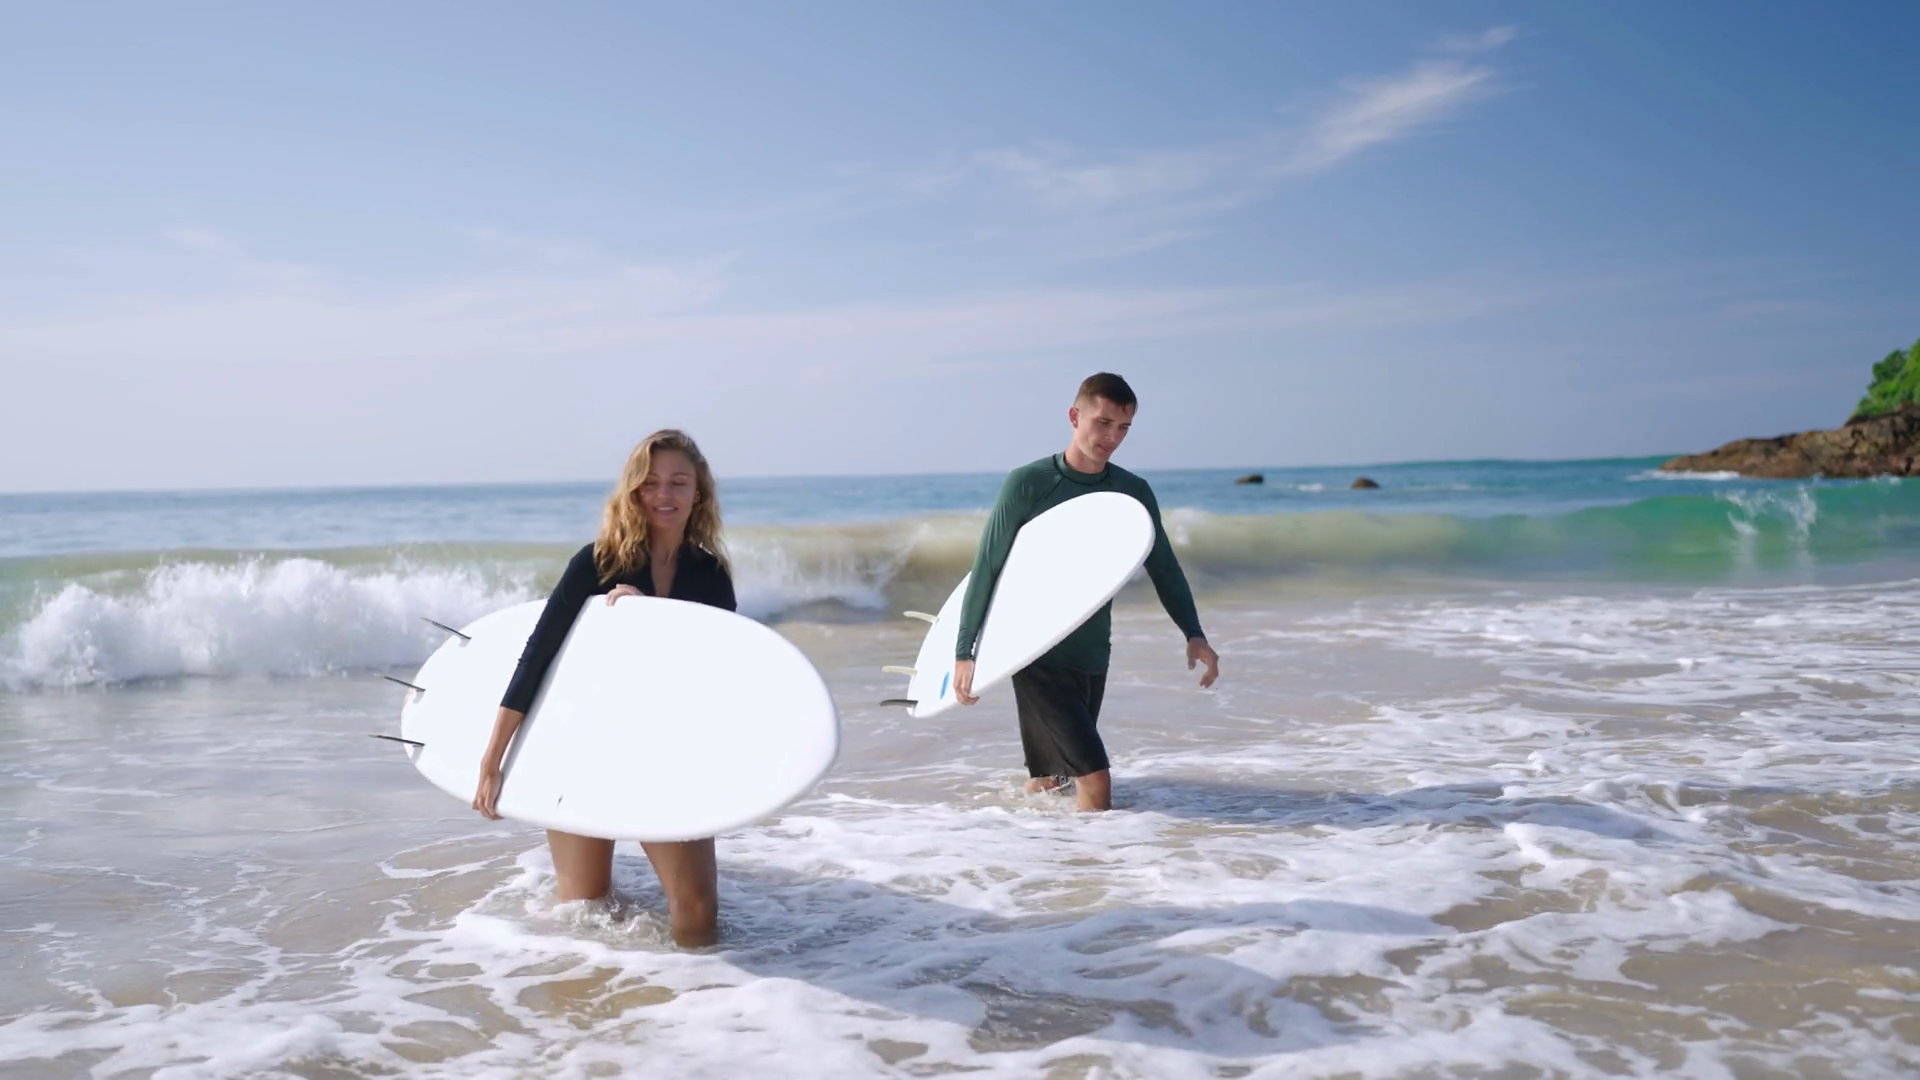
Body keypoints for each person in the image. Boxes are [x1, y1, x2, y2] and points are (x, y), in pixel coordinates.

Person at [471, 429, 735, 947]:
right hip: (581, 743)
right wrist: (492, 759)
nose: (664, 494)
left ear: (698, 492)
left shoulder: (710, 576)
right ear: (633, 492)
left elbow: (718, 675)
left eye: (678, 482)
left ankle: (700, 1008)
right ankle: (600, 1015)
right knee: (586, 913)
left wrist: (648, 620)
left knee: (698, 914)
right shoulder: (598, 563)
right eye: (651, 483)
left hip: (663, 751)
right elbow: (536, 659)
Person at [951, 373, 1219, 812]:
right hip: (1035, 651)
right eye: (1103, 422)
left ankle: (1043, 857)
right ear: (1075, 416)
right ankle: (1097, 871)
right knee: (1095, 779)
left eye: (1123, 428)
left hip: (1093, 653)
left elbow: (1164, 567)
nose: (1112, 437)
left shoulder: (1132, 493)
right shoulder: (1029, 483)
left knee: (1052, 780)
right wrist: (965, 650)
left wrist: (1194, 633)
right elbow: (987, 566)